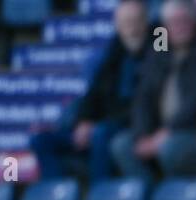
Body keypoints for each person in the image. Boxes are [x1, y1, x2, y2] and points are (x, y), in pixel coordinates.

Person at [31, 0, 149, 182]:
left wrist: (158, 33)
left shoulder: (157, 45)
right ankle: (57, 195)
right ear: (117, 26)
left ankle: (99, 195)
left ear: (146, 22)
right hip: (103, 123)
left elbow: (157, 82)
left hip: (132, 122)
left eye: (136, 21)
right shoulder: (114, 50)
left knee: (100, 133)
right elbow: (94, 92)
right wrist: (83, 121)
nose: (132, 29)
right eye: (126, 23)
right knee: (41, 140)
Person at [110, 0, 196, 178]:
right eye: (172, 23)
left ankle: (177, 195)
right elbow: (143, 97)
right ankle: (147, 196)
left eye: (184, 21)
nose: (178, 27)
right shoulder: (160, 50)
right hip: (159, 131)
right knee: (122, 144)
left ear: (195, 22)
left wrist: (166, 133)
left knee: (171, 148)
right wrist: (142, 133)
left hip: (195, 130)